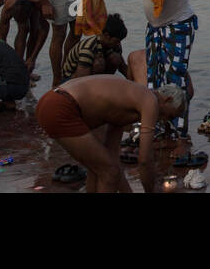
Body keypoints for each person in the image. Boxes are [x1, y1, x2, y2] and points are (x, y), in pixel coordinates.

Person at [108, 0, 206, 136]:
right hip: (154, 28)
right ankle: (159, 126)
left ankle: (180, 133)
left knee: (176, 79)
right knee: (154, 79)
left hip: (179, 25)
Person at [35, 75, 185, 193]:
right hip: (61, 107)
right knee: (109, 171)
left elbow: (112, 154)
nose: (166, 121)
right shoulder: (150, 100)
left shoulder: (127, 102)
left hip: (50, 101)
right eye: (170, 116)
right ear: (167, 99)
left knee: (99, 168)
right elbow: (145, 160)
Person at [0, 0, 50, 75]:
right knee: (24, 29)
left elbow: (45, 29)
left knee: (34, 29)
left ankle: (28, 68)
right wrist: (13, 60)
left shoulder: (37, 2)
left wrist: (33, 58)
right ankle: (20, 69)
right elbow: (1, 38)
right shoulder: (7, 8)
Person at [62, 13, 128, 81]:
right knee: (99, 64)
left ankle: (104, 82)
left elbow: (123, 67)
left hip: (88, 74)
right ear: (107, 36)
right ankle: (99, 86)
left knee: (116, 58)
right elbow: (80, 78)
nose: (118, 44)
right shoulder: (88, 49)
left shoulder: (115, 45)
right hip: (71, 79)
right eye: (116, 41)